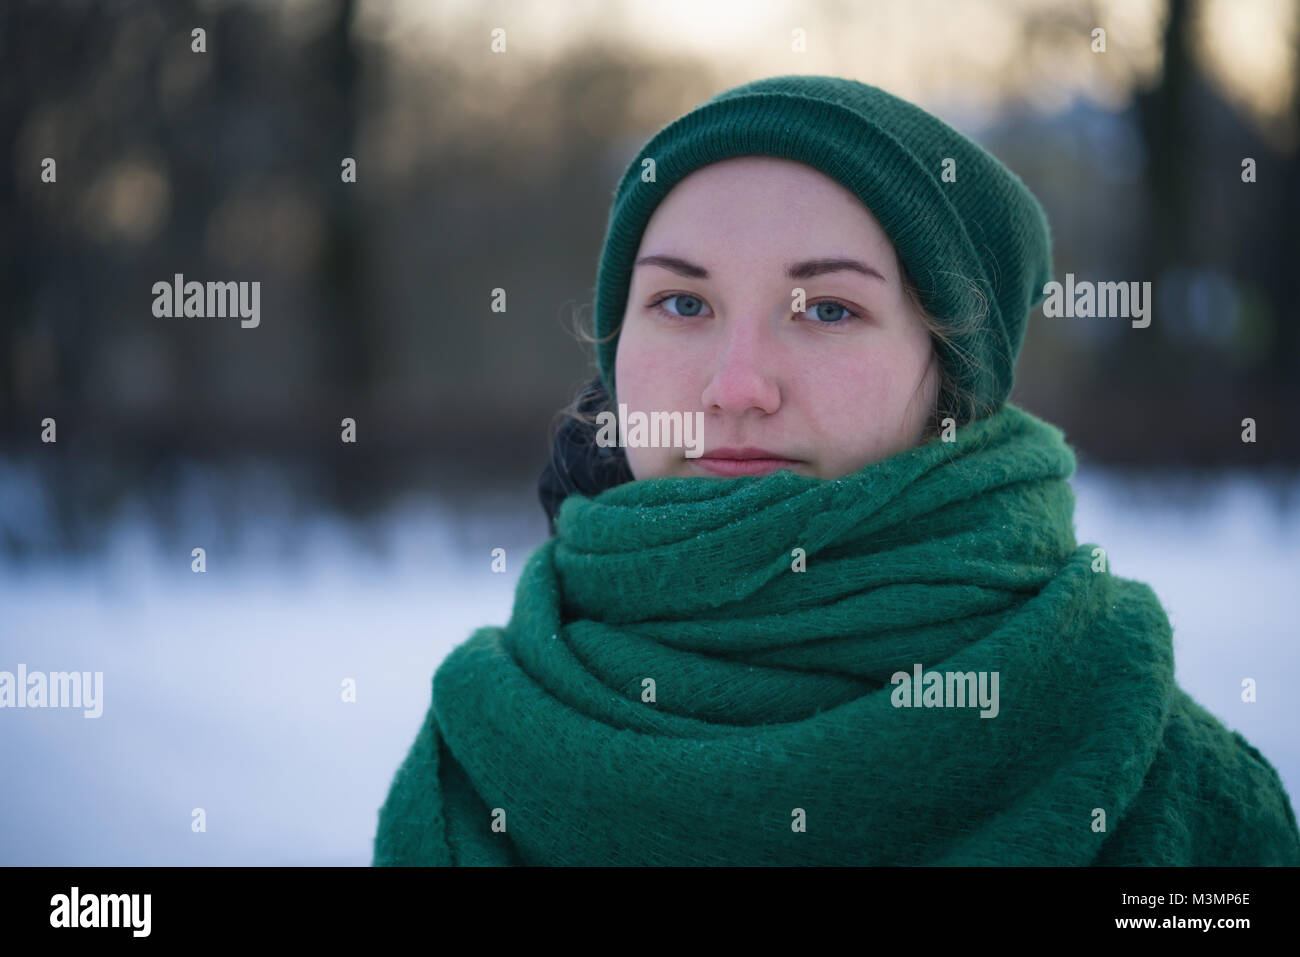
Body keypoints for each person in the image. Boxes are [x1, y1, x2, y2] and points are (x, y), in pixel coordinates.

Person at [374, 75, 1300, 866]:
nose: (737, 385)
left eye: (826, 310)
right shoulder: (471, 767)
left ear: (951, 375)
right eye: (681, 300)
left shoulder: (1174, 792)